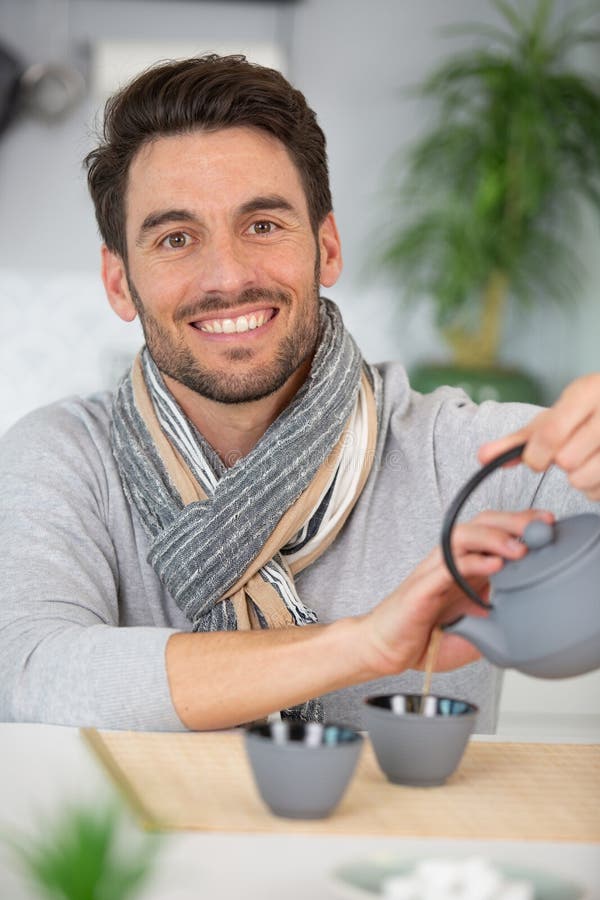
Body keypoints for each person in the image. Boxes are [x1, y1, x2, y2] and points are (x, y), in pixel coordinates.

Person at [0, 55, 598, 734]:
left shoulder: (470, 458)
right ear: (118, 283)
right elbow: (28, 673)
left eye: (262, 225)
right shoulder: (61, 459)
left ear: (328, 247)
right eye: (175, 238)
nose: (226, 276)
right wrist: (361, 644)